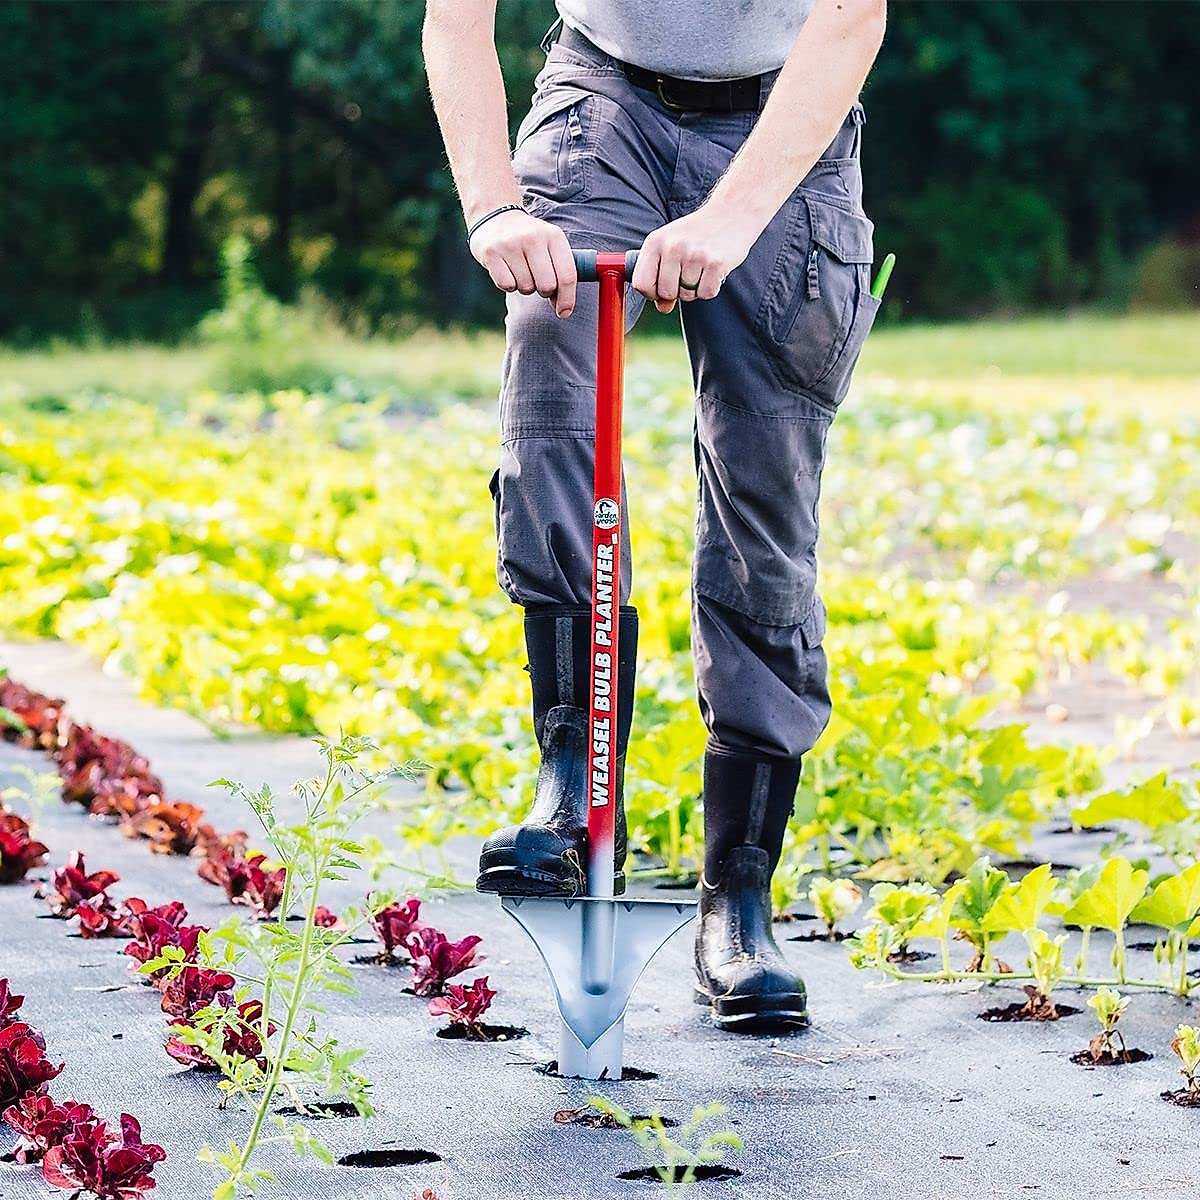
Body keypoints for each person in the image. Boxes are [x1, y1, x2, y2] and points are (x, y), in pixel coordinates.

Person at [423, 0, 887, 1031]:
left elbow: (853, 18)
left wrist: (730, 217)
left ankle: (741, 903)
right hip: (605, 99)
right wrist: (496, 209)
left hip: (785, 124)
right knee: (553, 356)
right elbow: (454, 18)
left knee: (763, 491)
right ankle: (573, 781)